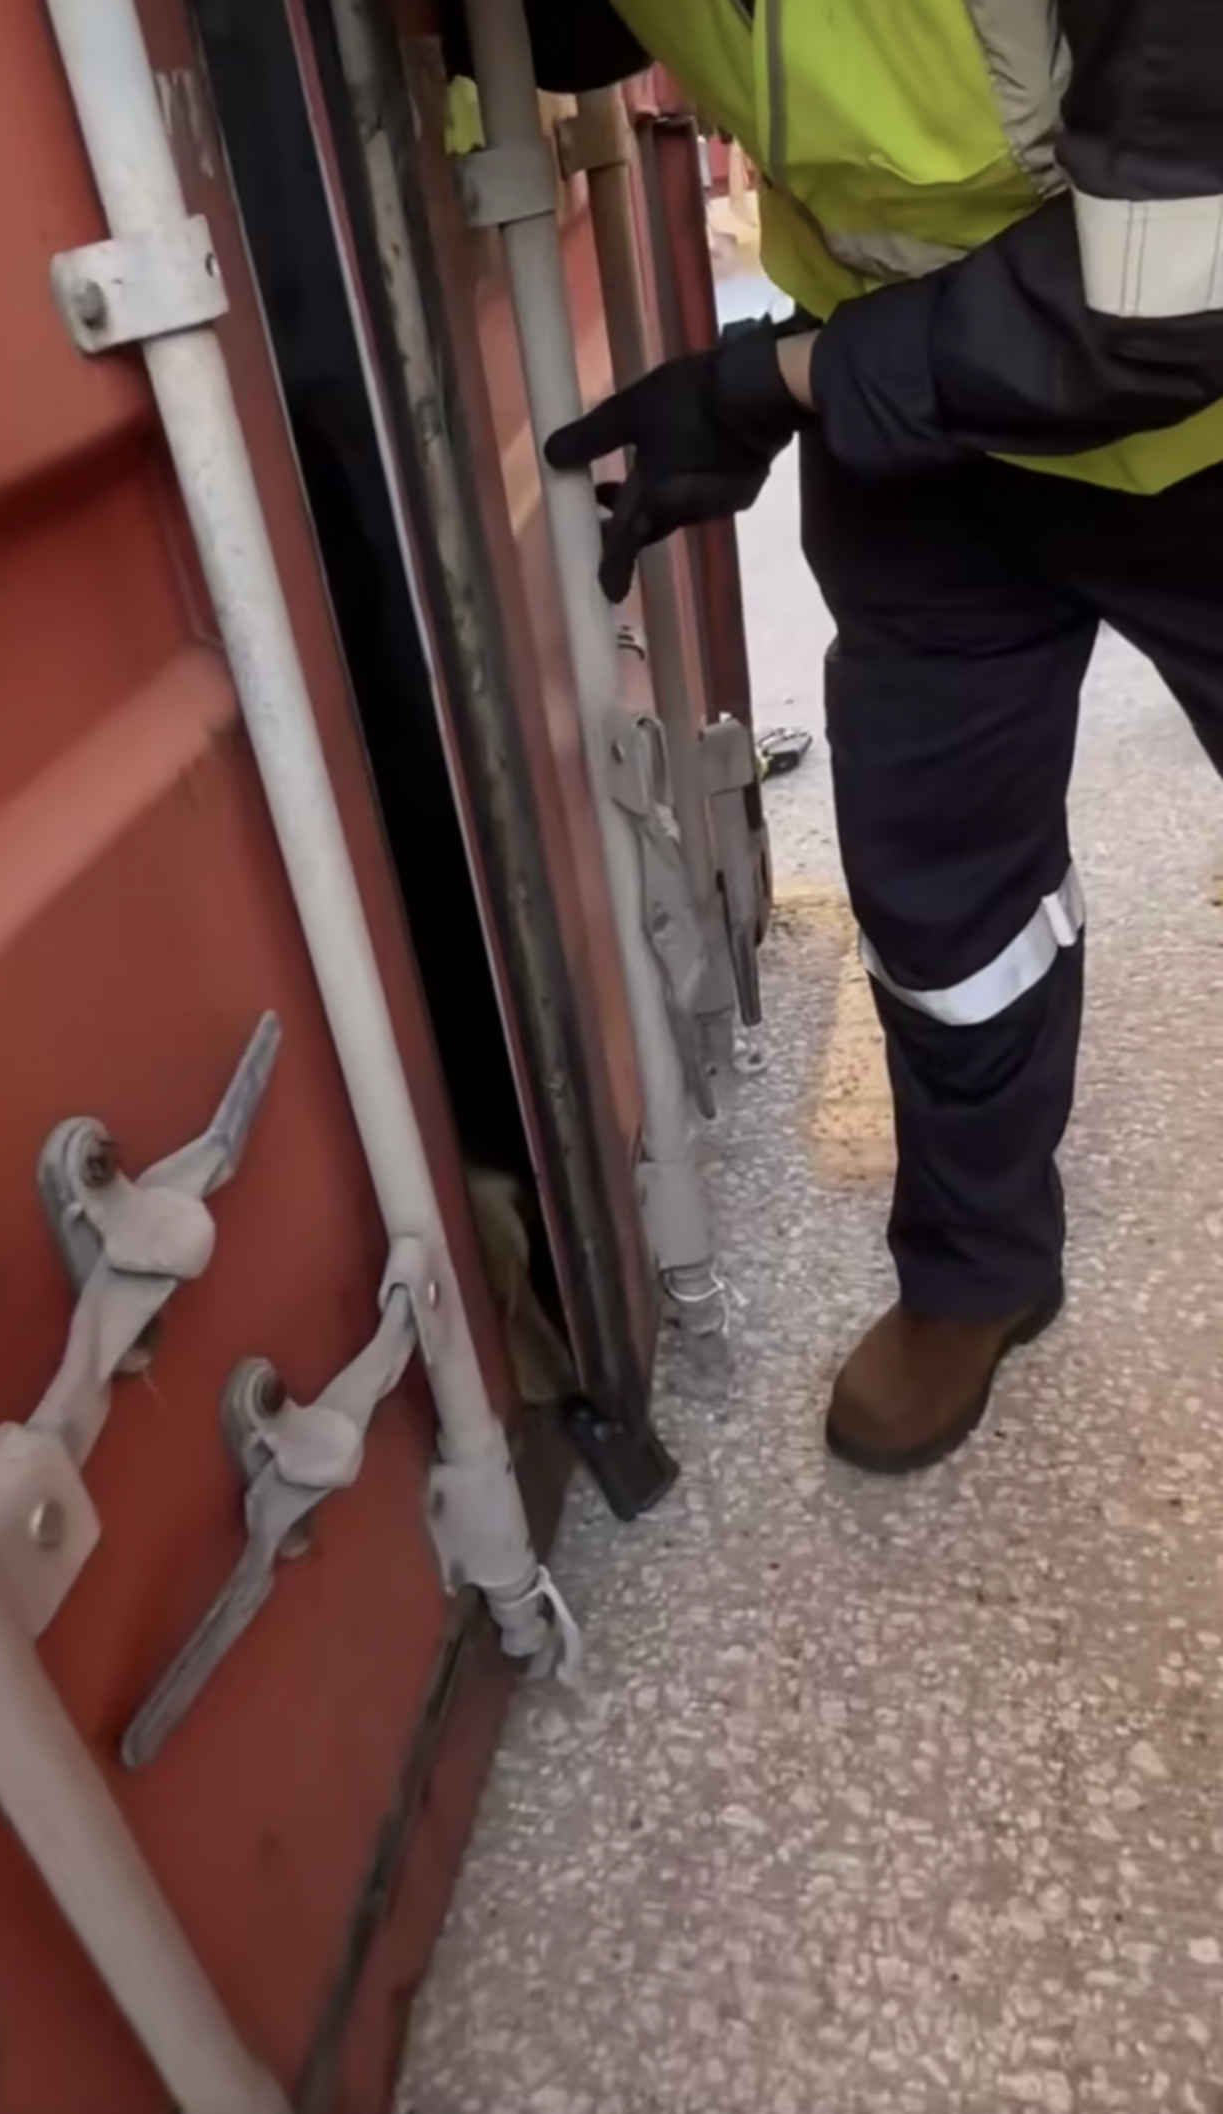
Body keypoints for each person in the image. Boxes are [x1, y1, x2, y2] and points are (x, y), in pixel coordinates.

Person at [449, 0, 1223, 1473]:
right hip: (938, 441)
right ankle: (977, 1264)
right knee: (940, 894)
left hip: (1198, 418)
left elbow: (1169, 293)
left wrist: (772, 385)